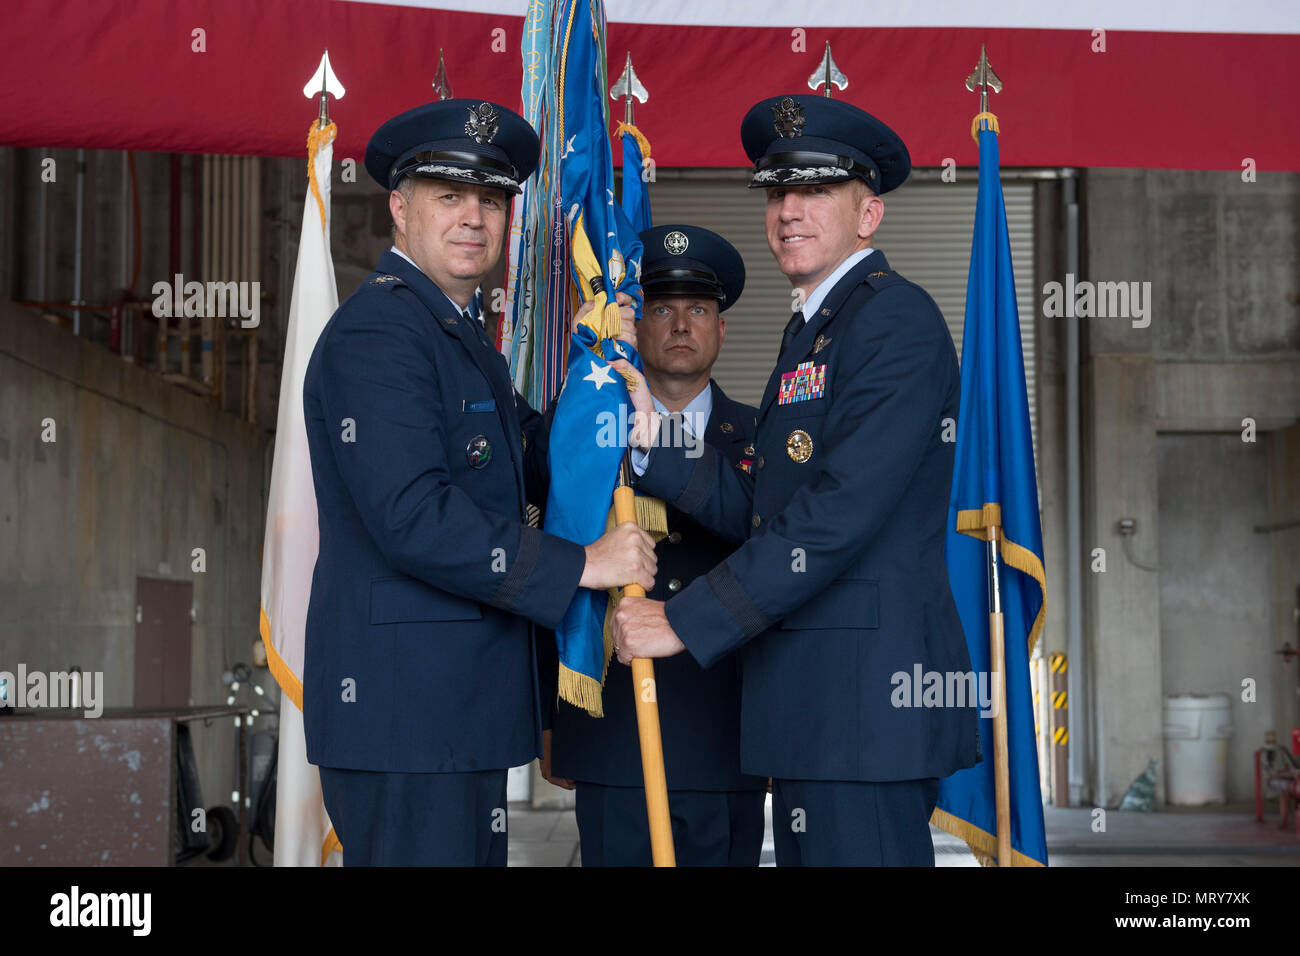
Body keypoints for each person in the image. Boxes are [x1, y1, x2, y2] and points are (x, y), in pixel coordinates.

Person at [611, 94, 980, 866]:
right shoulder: (814, 328)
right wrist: (653, 444)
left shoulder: (894, 320)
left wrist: (684, 621)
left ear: (868, 213)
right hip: (817, 708)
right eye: (778, 192)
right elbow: (769, 508)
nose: (789, 210)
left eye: (815, 190)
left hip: (863, 709)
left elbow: (837, 514)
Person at [301, 99, 656, 866]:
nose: (473, 217)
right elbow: (413, 516)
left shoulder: (458, 338)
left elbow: (531, 460)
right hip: (406, 717)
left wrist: (599, 379)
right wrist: (584, 565)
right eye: (449, 196)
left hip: (452, 715)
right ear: (400, 209)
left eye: (491, 200)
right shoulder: (380, 332)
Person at [546, 225, 767, 866]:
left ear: (721, 331)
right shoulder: (585, 431)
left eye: (698, 309)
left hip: (726, 741)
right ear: (631, 328)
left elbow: (775, 548)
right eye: (659, 309)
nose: (678, 325)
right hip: (613, 741)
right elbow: (552, 550)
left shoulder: (761, 436)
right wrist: (551, 718)